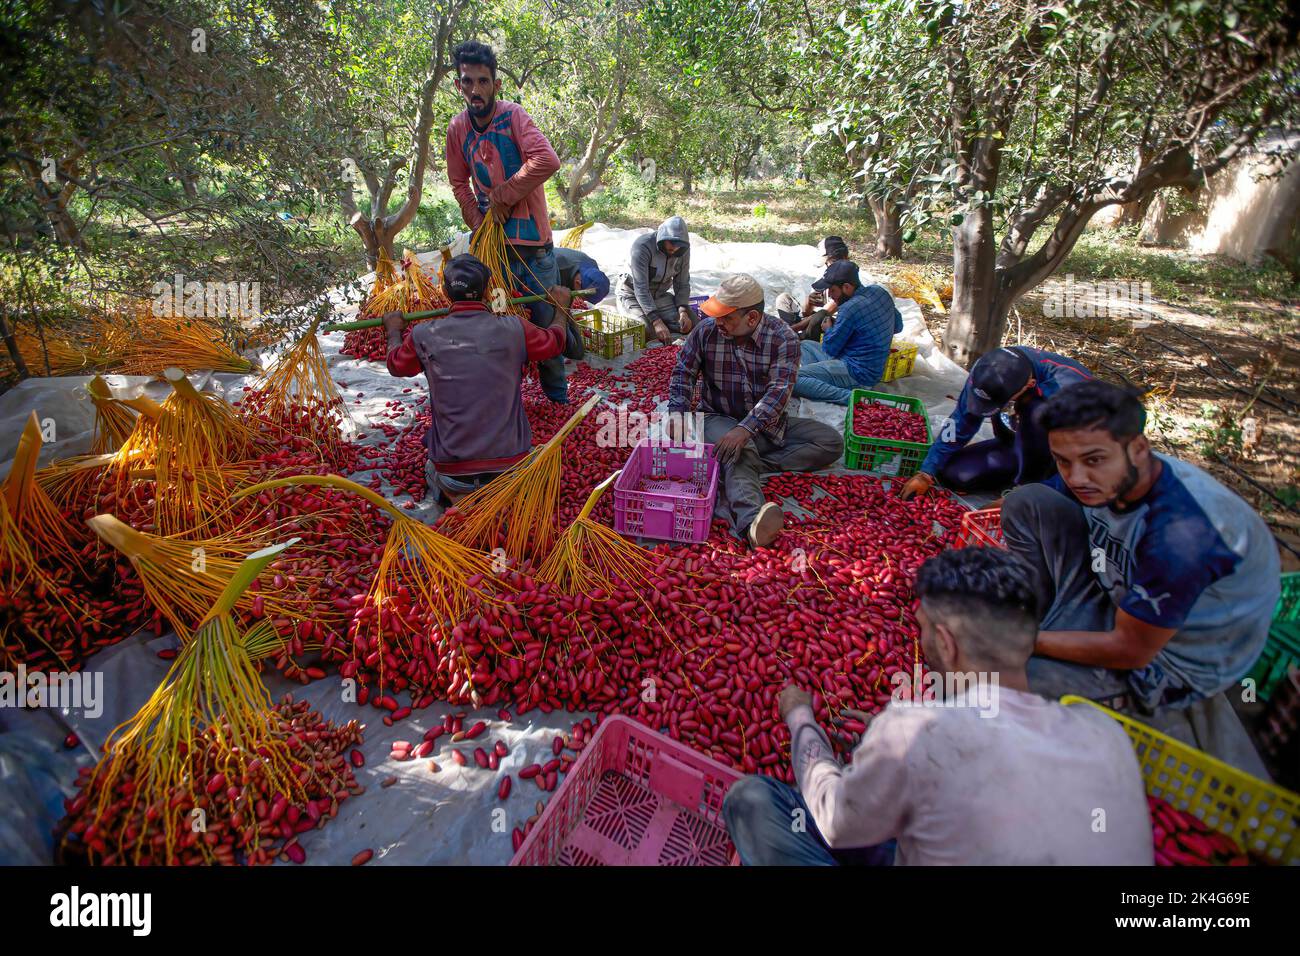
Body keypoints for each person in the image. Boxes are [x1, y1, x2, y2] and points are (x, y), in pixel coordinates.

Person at [722, 546, 1153, 866]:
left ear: (945, 644)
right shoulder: (1104, 730)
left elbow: (832, 817)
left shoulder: (915, 730)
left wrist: (801, 718)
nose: (920, 639)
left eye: (924, 629)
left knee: (751, 799)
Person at [1002, 379, 1281, 715]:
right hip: (1120, 591)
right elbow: (1052, 495)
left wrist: (1025, 641)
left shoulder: (1182, 536)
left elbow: (1131, 650)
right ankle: (1043, 619)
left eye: (1093, 460)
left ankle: (1048, 642)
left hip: (1167, 656)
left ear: (1138, 449)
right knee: (1027, 502)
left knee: (1007, 683)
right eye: (1063, 461)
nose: (1076, 478)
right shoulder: (1112, 473)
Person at [666, 274, 843, 548]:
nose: (719, 323)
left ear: (751, 318)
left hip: (764, 425)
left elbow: (778, 394)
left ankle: (741, 468)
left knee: (830, 442)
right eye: (717, 316)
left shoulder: (783, 339)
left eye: (727, 317)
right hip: (716, 416)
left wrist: (745, 430)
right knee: (737, 448)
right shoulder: (706, 331)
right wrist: (677, 411)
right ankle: (750, 522)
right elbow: (683, 373)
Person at [444, 40, 576, 403]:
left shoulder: (514, 116)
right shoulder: (457, 130)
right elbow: (458, 182)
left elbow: (547, 160)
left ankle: (556, 399)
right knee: (498, 326)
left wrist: (502, 197)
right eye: (468, 81)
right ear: (459, 85)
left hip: (534, 249)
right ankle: (506, 401)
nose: (475, 90)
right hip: (494, 252)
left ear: (495, 85)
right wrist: (479, 223)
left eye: (483, 81)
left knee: (545, 318)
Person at [382, 255, 565, 505]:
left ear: (446, 292)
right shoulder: (515, 328)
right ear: (488, 290)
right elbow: (555, 342)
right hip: (510, 470)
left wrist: (393, 329)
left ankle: (452, 496)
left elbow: (395, 365)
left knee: (433, 465)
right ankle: (503, 495)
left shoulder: (423, 334)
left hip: (454, 476)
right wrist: (560, 307)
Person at [899, 346, 1093, 499]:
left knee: (1037, 413)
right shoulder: (987, 370)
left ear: (1030, 385)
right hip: (1014, 445)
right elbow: (960, 420)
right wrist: (927, 471)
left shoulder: (1071, 392)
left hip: (1059, 463)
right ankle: (1018, 477)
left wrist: (1028, 496)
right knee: (953, 475)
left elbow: (1087, 462)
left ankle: (1030, 485)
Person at [792, 260, 902, 405]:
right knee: (804, 344)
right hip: (872, 366)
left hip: (857, 373)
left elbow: (830, 349)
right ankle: (817, 378)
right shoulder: (880, 292)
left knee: (793, 379)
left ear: (847, 287)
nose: (830, 295)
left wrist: (828, 329)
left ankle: (853, 398)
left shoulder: (849, 309)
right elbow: (898, 326)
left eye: (832, 290)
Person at [616, 216, 694, 345]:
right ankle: (649, 318)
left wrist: (683, 311)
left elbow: (682, 283)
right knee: (647, 332)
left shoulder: (683, 250)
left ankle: (664, 320)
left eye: (678, 246)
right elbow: (640, 287)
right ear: (662, 238)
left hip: (659, 296)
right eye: (671, 243)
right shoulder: (642, 246)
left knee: (690, 324)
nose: (674, 249)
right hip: (632, 294)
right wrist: (656, 320)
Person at [792, 235, 850, 342]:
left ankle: (799, 339)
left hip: (830, 324)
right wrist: (809, 302)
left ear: (845, 258)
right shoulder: (825, 273)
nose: (829, 266)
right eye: (828, 263)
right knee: (784, 299)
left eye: (832, 261)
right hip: (813, 319)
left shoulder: (847, 279)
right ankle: (794, 335)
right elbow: (806, 313)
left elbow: (824, 313)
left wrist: (791, 329)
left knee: (820, 317)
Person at [548, 245, 610, 316]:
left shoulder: (592, 265)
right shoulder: (556, 269)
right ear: (578, 283)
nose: (582, 301)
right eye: (582, 297)